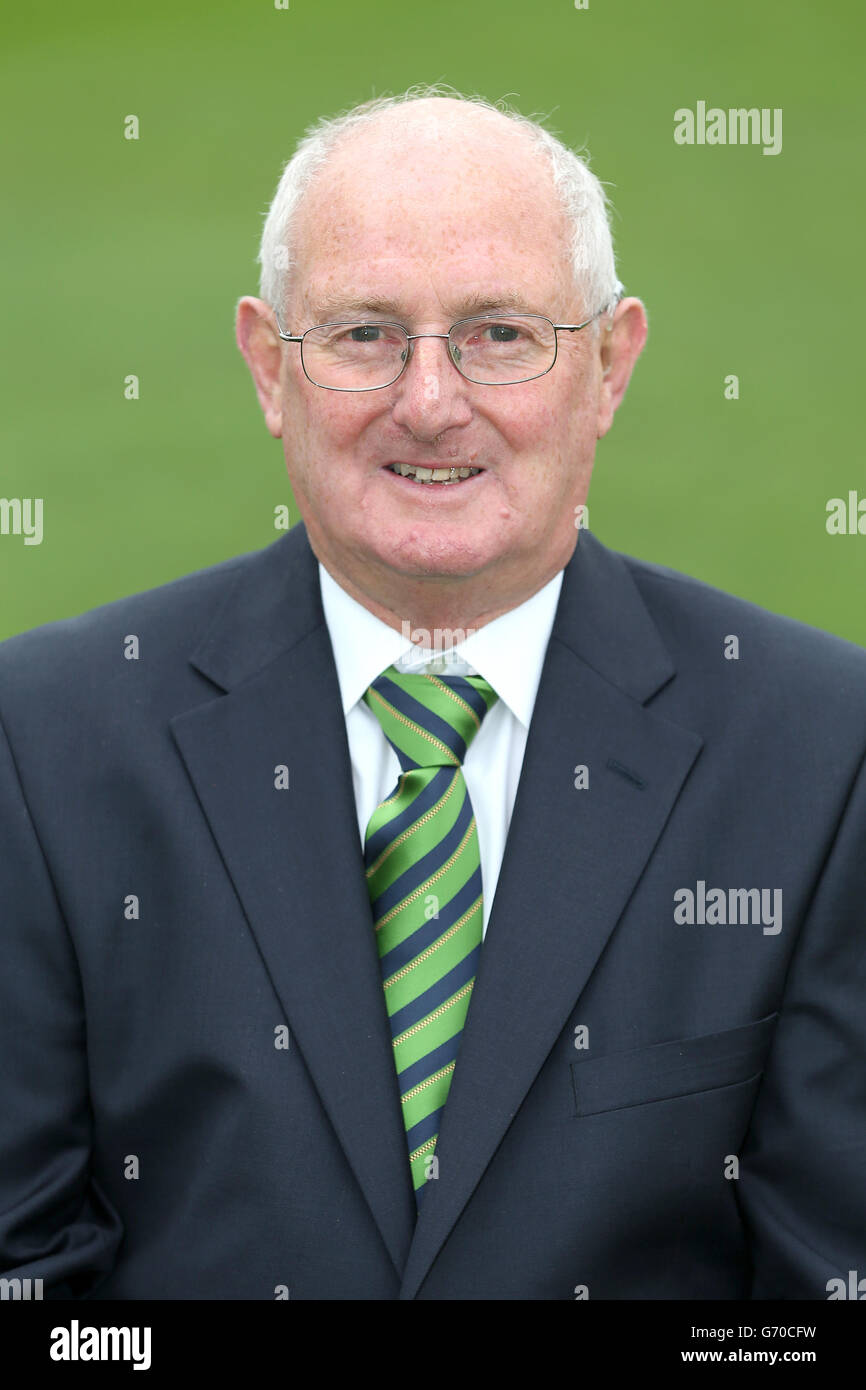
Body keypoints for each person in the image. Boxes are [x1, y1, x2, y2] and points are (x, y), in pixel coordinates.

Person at [1, 86, 864, 1302]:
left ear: (608, 365)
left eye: (499, 334)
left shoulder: (823, 754)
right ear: (267, 365)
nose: (428, 401)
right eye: (361, 335)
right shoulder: (43, 743)